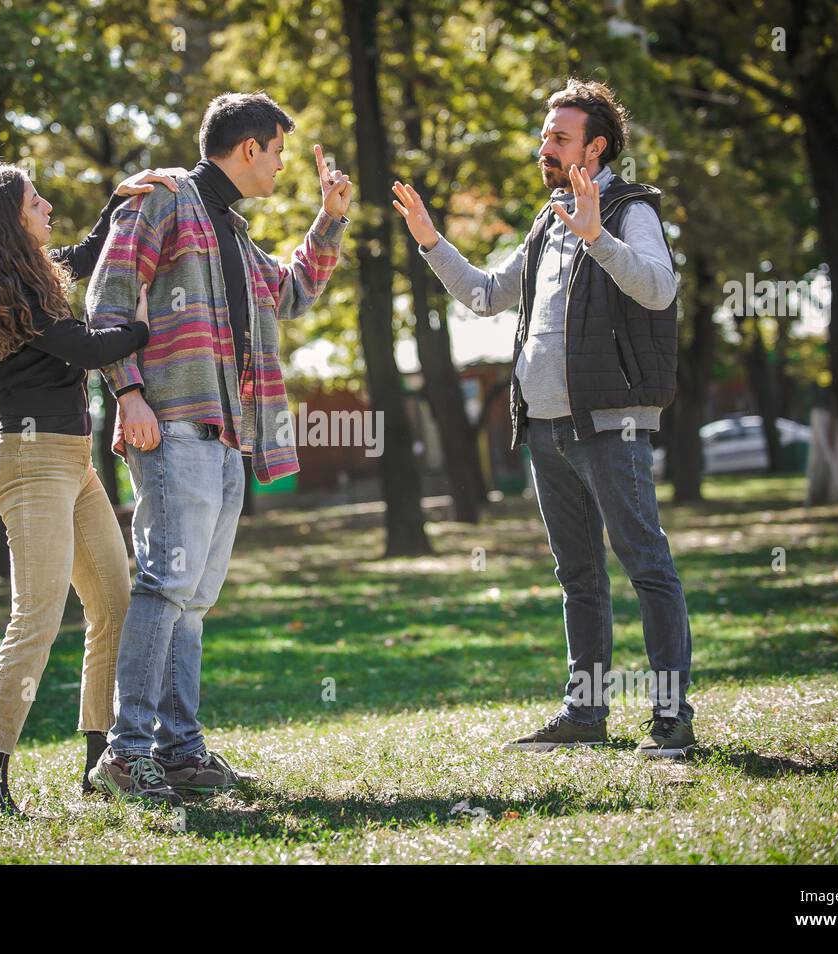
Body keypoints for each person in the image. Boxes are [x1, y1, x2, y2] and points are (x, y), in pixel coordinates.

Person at [392, 78, 696, 757]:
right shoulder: (548, 217)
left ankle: (672, 720)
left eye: (558, 138)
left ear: (596, 145)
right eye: (544, 137)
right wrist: (431, 241)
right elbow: (485, 295)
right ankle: (585, 716)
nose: (545, 148)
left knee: (645, 562)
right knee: (579, 577)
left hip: (610, 420)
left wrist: (598, 240)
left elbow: (659, 288)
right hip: (547, 426)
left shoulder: (628, 210)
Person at [84, 92, 353, 804]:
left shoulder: (231, 231)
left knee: (191, 601)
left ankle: (179, 749)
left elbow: (291, 293)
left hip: (229, 438)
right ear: (248, 149)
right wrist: (128, 392)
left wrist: (330, 218)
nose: (283, 164)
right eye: (279, 152)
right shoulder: (166, 200)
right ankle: (126, 751)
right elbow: (108, 295)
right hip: (172, 426)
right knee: (164, 587)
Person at [0, 161, 181, 819]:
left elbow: (82, 253)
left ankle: (101, 759)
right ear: (7, 222)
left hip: (73, 464)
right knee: (38, 617)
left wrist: (115, 203)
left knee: (113, 604)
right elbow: (84, 345)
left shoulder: (36, 272)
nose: (47, 207)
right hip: (31, 465)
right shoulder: (6, 289)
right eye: (34, 201)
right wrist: (139, 326)